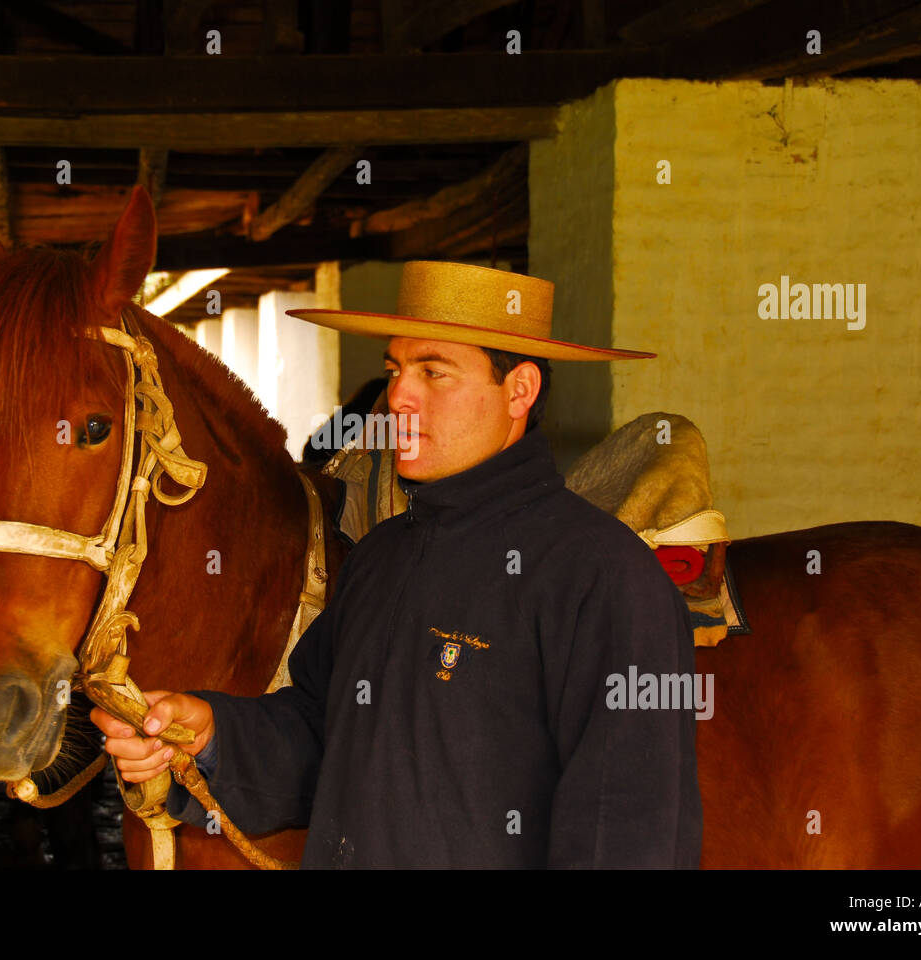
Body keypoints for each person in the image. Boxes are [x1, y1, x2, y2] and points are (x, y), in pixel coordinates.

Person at [92, 260, 703, 868]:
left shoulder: (604, 579)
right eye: (396, 369)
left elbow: (626, 834)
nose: (397, 396)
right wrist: (210, 739)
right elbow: (319, 735)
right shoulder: (381, 557)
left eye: (433, 371)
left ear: (518, 391)